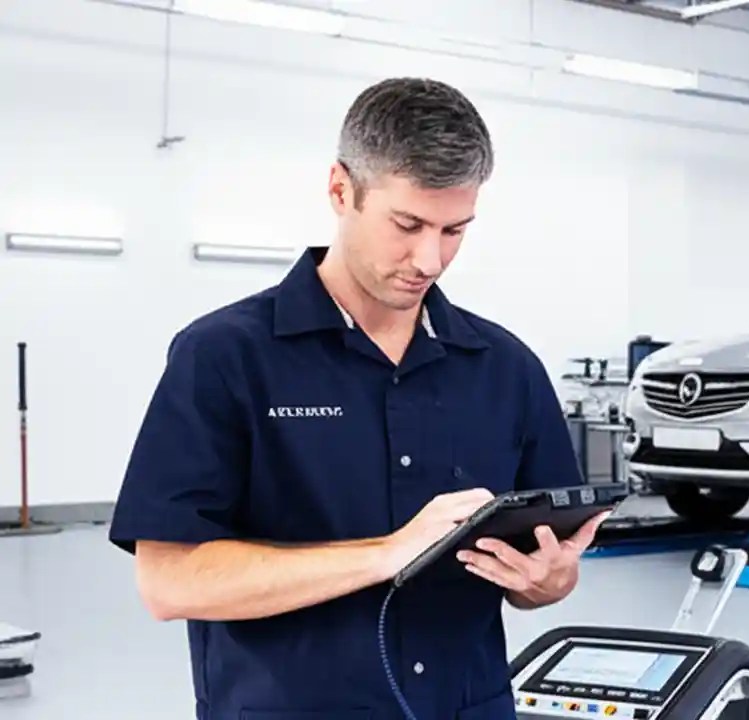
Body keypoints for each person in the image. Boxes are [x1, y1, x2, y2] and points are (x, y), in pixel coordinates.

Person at [108, 77, 606, 720]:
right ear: (341, 190)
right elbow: (167, 581)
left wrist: (551, 582)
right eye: (407, 224)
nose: (429, 258)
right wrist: (389, 552)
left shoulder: (506, 369)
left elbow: (548, 572)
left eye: (455, 230)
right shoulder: (224, 357)